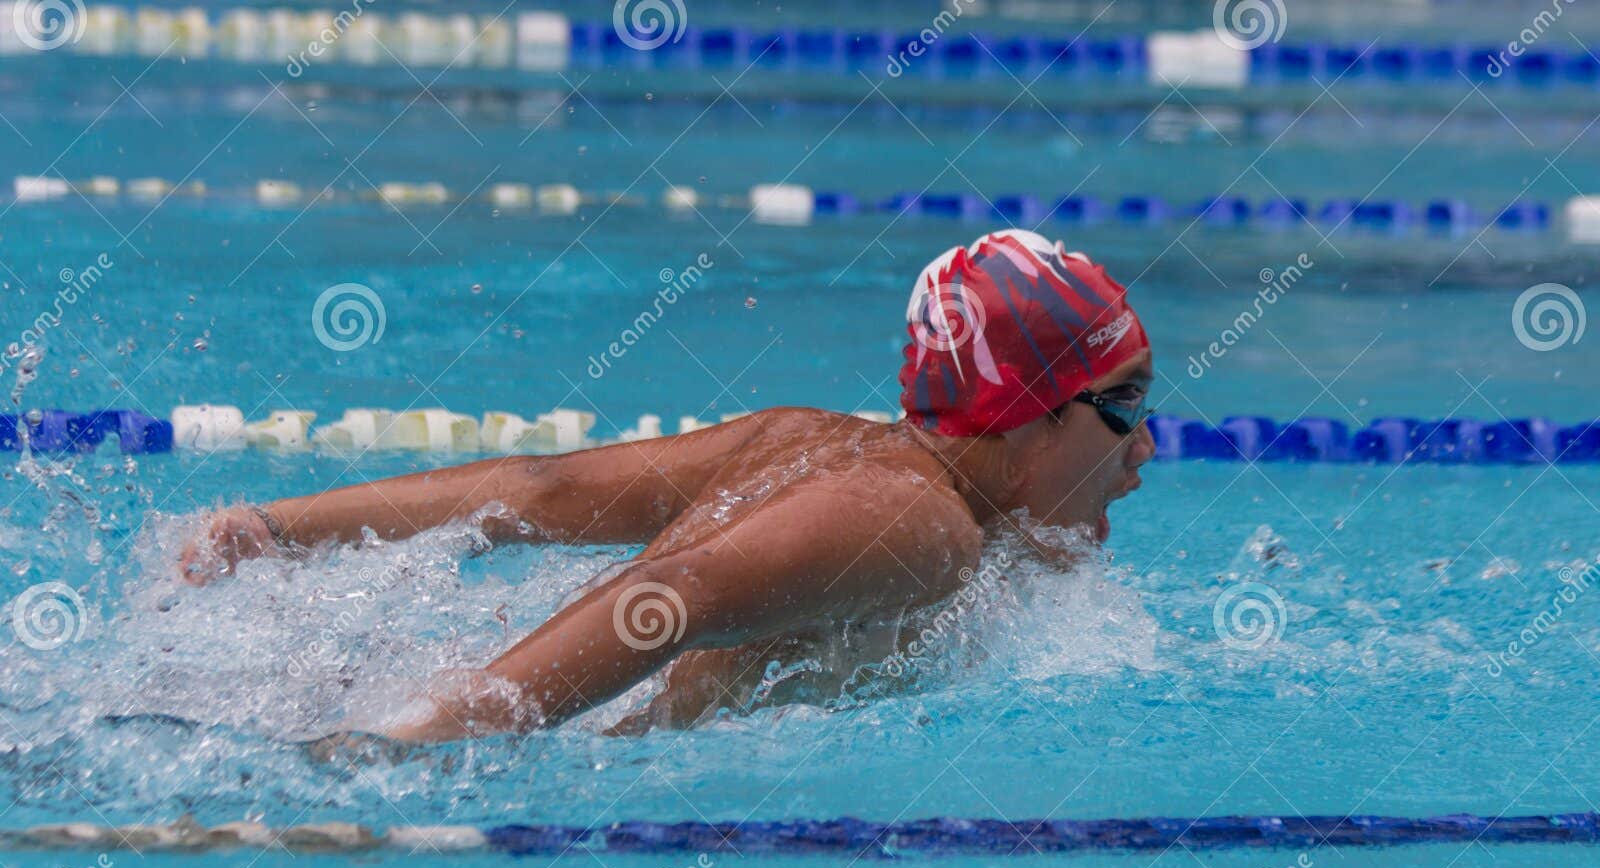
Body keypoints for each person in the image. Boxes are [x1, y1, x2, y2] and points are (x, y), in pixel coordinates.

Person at [178, 229, 1154, 741]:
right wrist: (424, 739)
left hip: (457, 697)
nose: (1144, 448)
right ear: (1028, 416)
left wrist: (268, 527)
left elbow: (537, 489)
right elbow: (673, 596)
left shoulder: (807, 439)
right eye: (1123, 406)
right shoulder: (923, 528)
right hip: (572, 754)